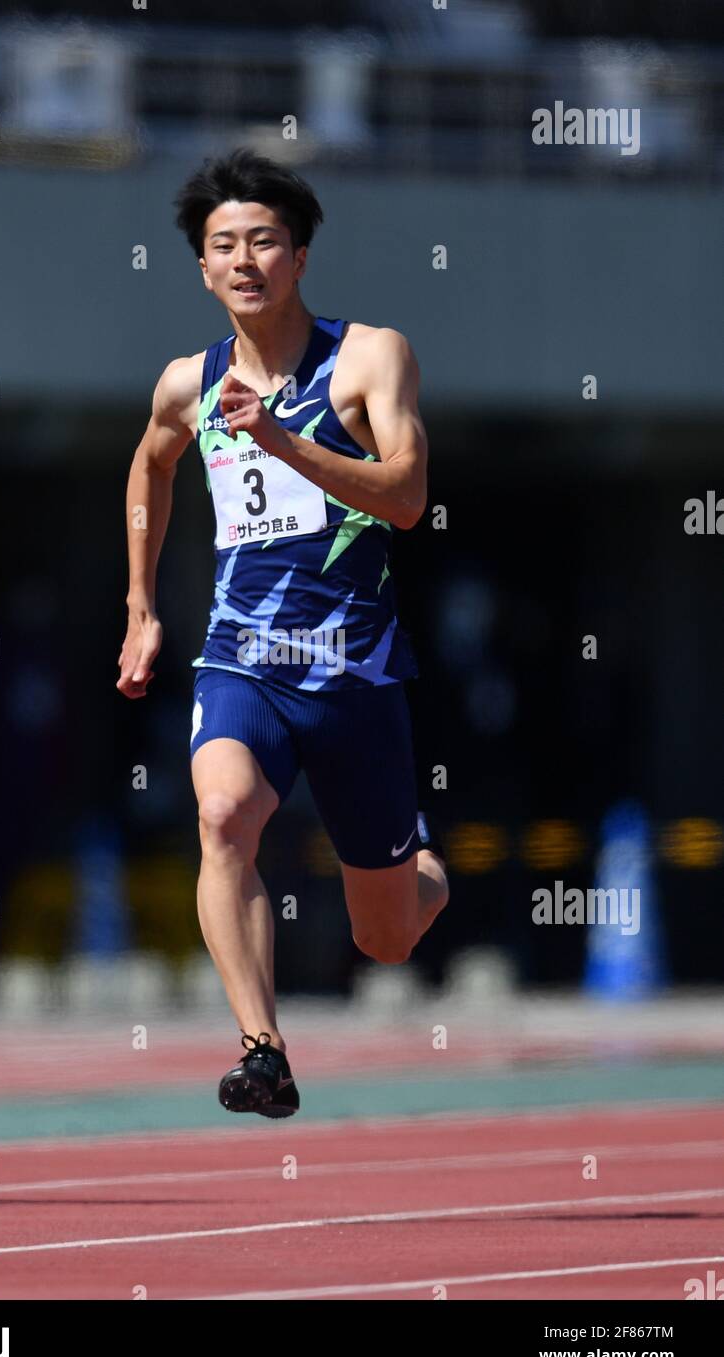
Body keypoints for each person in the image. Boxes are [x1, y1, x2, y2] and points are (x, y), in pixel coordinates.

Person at [117, 149, 449, 1119]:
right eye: (223, 245)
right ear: (202, 269)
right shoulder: (187, 383)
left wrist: (281, 443)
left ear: (299, 256)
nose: (243, 258)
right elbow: (149, 470)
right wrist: (140, 607)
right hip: (241, 661)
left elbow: (407, 499)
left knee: (385, 936)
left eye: (263, 240)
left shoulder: (368, 357)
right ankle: (260, 1049)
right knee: (221, 817)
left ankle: (423, 867)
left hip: (354, 675)